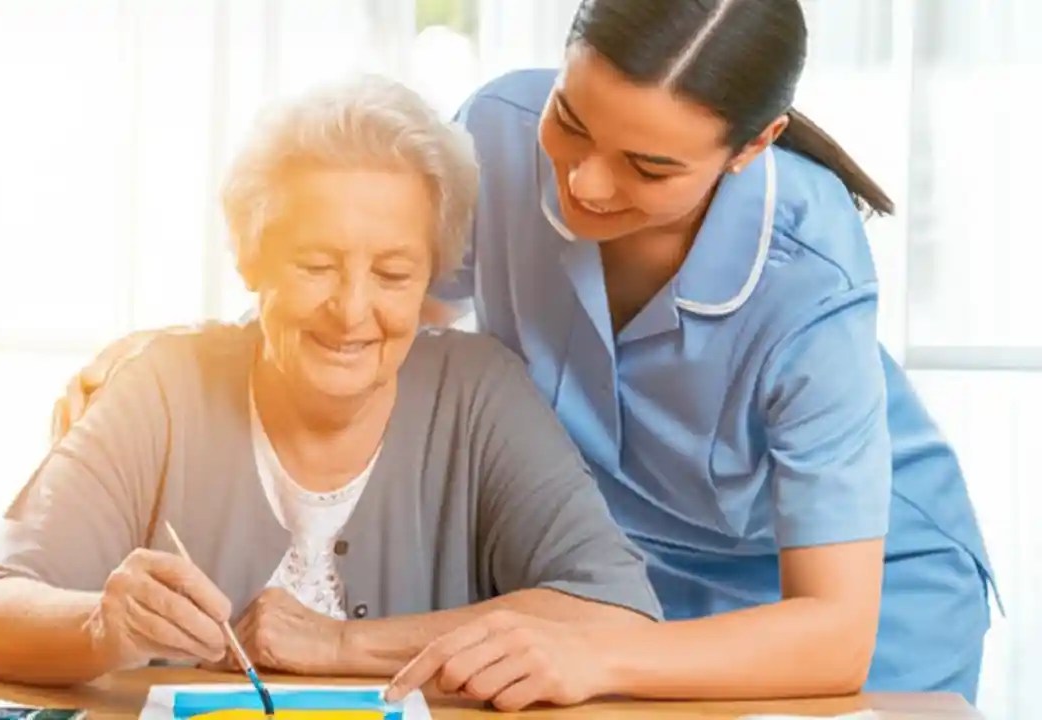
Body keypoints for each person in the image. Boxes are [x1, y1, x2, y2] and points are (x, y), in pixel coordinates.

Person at [60, 0, 997, 712]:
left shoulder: (811, 274)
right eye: (572, 119)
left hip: (854, 604)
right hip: (625, 587)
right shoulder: (500, 133)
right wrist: (182, 357)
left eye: (650, 167)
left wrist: (593, 650)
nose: (585, 180)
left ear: (753, 145)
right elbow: (373, 309)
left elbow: (833, 633)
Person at [0, 74, 663, 689]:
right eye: (316, 266)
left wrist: (344, 646)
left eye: (393, 274)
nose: (351, 311)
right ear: (251, 261)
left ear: (432, 276)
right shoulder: (161, 388)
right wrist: (100, 625)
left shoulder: (480, 394)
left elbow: (616, 614)